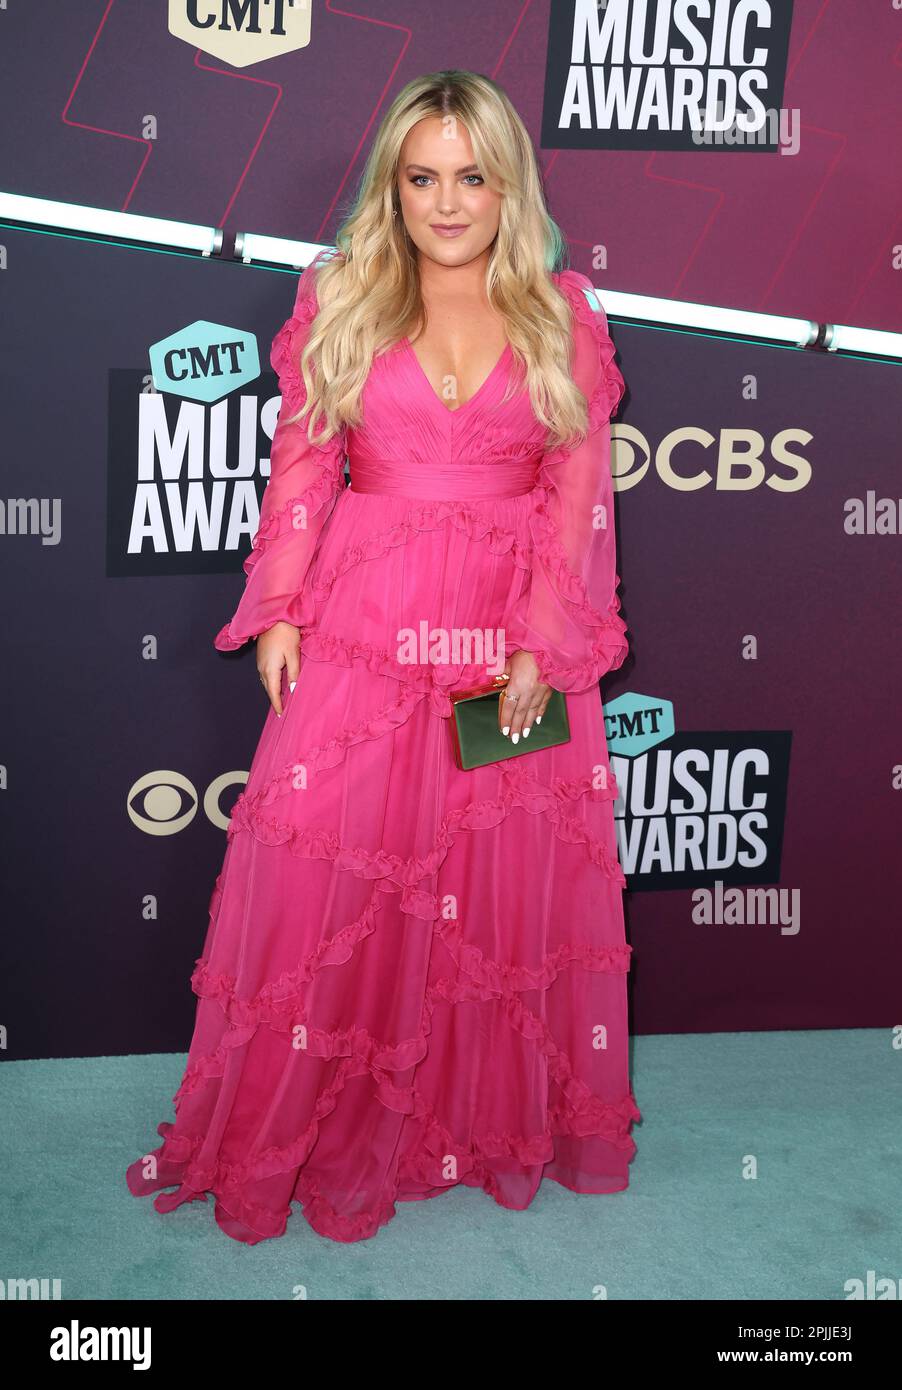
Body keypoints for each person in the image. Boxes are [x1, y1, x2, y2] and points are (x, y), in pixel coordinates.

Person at [126, 69, 640, 1245]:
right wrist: (280, 609)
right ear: (391, 187)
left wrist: (544, 648)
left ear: (507, 184)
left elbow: (575, 497)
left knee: (498, 880)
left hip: (506, 622)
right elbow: (302, 467)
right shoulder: (341, 293)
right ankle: (315, 1117)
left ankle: (464, 1123)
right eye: (422, 178)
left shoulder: (563, 312)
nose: (447, 203)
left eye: (471, 177)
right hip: (364, 620)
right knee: (333, 875)